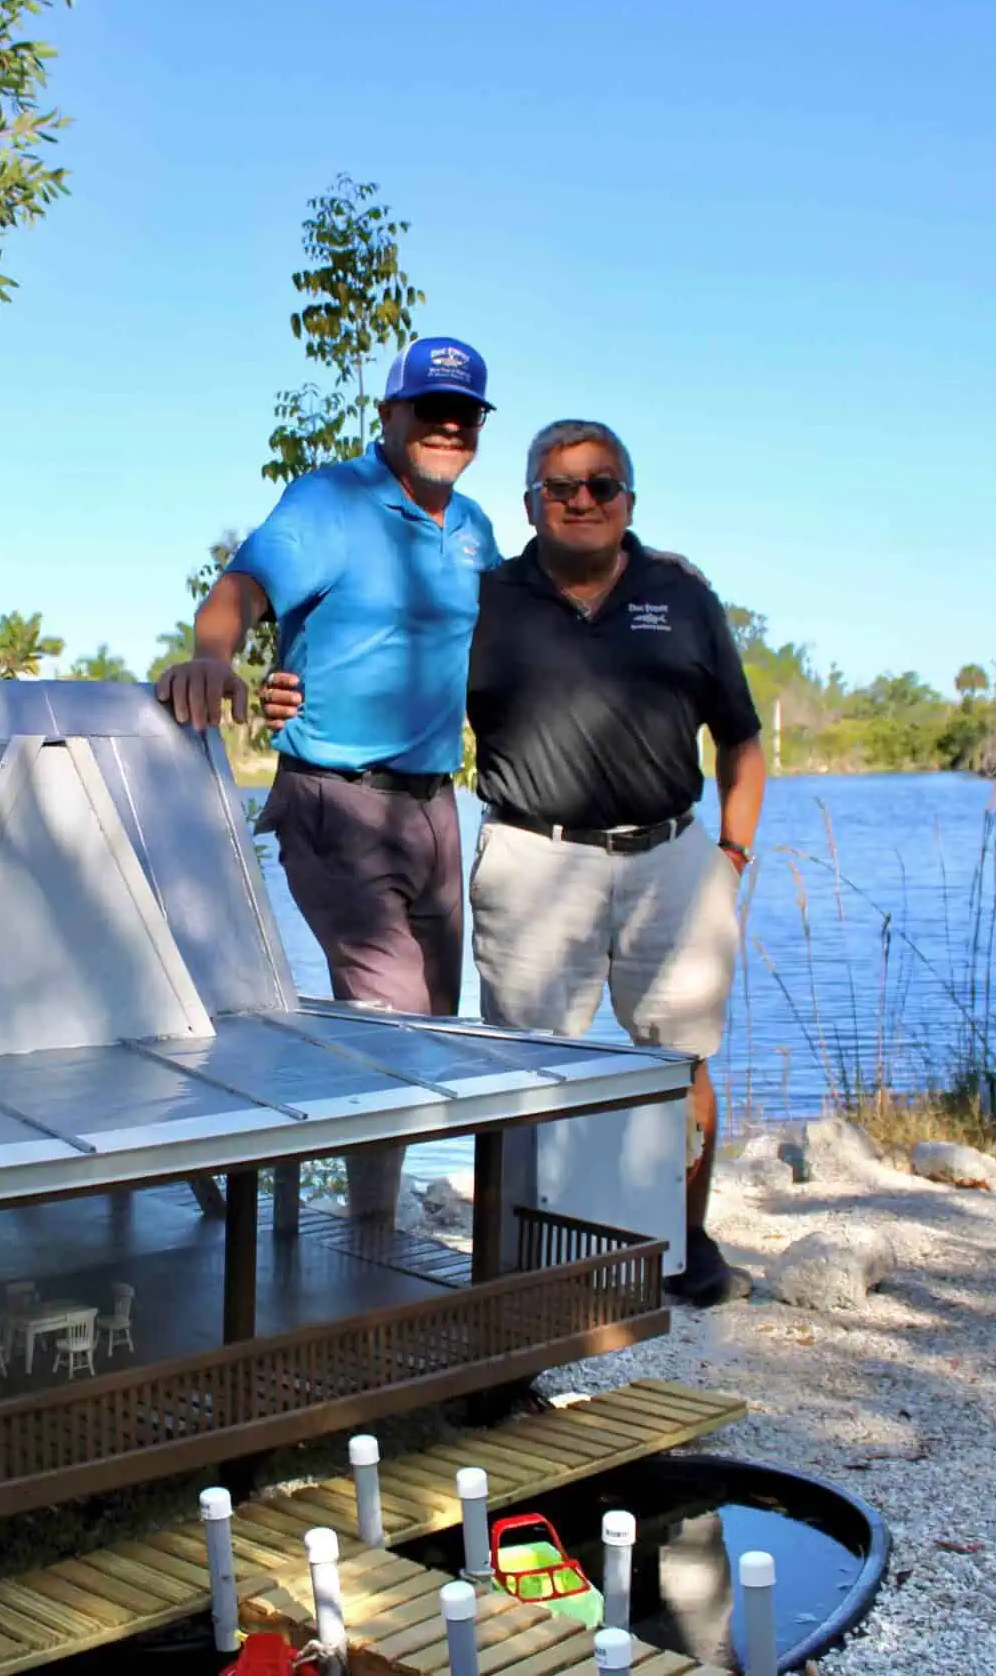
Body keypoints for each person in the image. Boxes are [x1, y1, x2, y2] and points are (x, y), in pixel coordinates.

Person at [261, 418, 767, 1305]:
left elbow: (742, 738)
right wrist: (287, 683)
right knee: (515, 1072)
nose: (581, 500)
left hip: (673, 862)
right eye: (559, 487)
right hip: (536, 859)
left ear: (629, 498)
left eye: (600, 484)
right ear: (530, 501)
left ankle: (686, 1240)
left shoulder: (681, 594)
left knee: (683, 1061)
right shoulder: (485, 596)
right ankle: (513, 1258)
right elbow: (379, 657)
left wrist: (730, 852)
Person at [154, 335, 500, 1221]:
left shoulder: (475, 532)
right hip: (335, 800)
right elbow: (239, 591)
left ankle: (257, 1136)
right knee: (384, 1021)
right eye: (429, 410)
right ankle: (371, 1237)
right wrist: (211, 658)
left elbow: (515, 644)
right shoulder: (331, 500)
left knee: (424, 1024)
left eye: (464, 417)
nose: (447, 428)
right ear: (389, 414)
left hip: (434, 805)